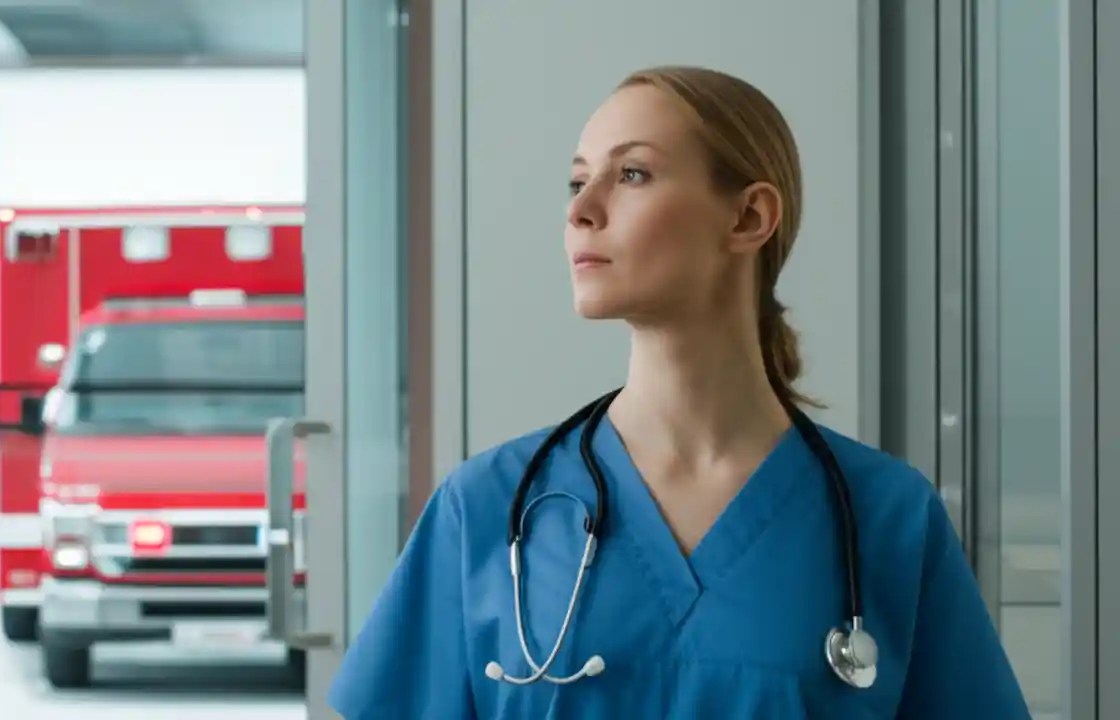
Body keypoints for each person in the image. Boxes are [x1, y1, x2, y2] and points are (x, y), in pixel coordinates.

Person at [328, 65, 1031, 719]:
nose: (583, 211)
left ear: (748, 218)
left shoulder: (887, 516)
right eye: (577, 182)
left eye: (632, 173)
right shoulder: (488, 505)